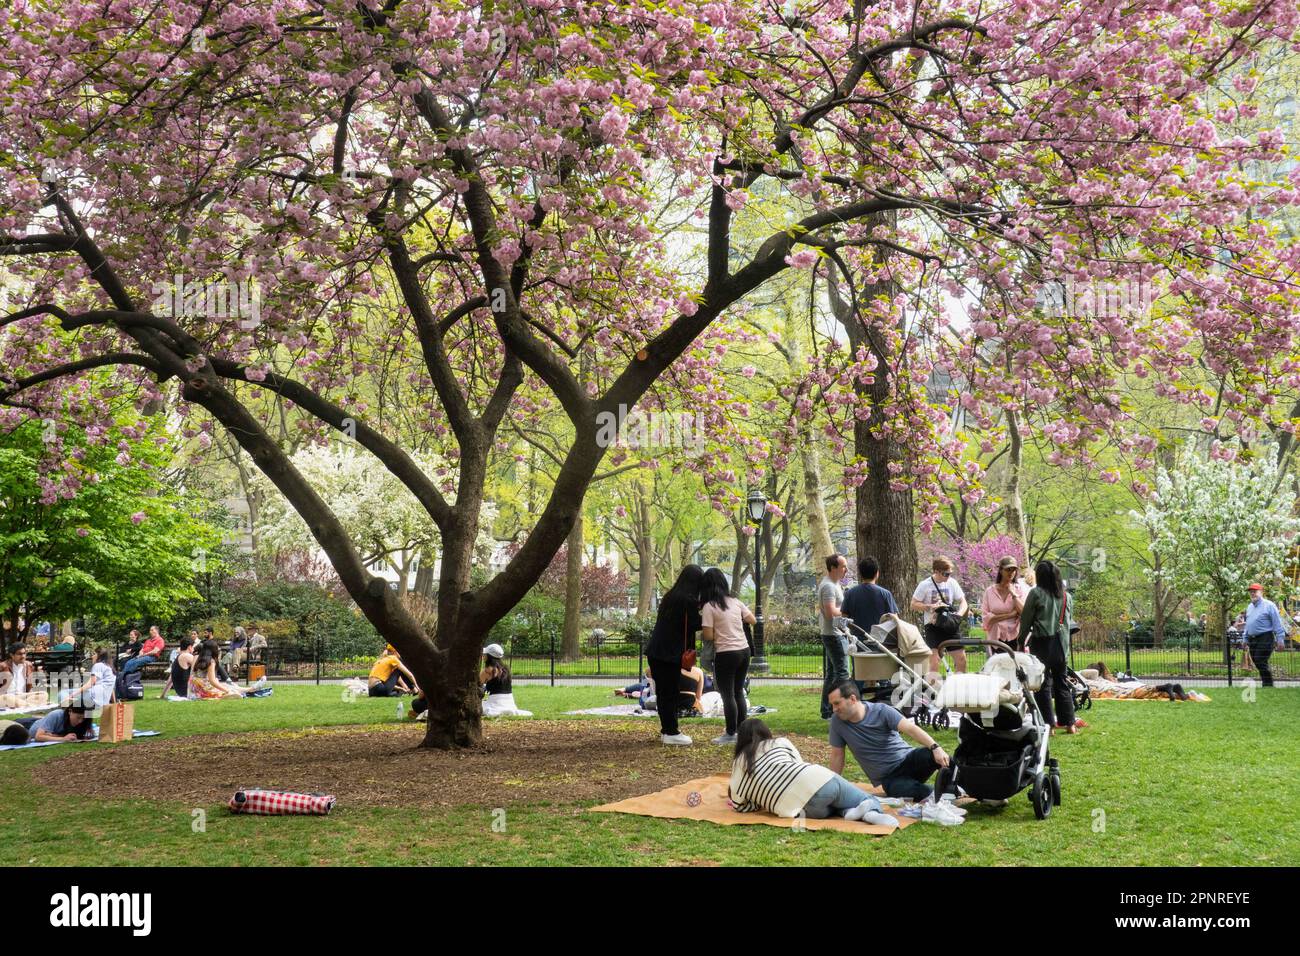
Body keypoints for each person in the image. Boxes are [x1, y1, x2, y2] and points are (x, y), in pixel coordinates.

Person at [728, 718, 898, 826]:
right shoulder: (779, 743)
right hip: (818, 782)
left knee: (832, 807)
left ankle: (851, 814)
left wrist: (758, 801)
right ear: (766, 733)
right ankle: (871, 814)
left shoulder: (738, 764)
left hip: (801, 810)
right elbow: (798, 764)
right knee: (862, 799)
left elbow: (739, 805)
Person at [827, 680, 954, 806]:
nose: (834, 709)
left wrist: (936, 748)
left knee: (939, 757)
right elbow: (837, 755)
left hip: (908, 760)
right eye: (832, 705)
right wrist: (831, 784)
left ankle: (963, 785)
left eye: (837, 703)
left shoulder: (881, 710)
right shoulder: (837, 722)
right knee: (905, 790)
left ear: (853, 699)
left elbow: (910, 729)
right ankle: (941, 793)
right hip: (890, 778)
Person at [644, 564, 704, 745]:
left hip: (657, 651)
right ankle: (671, 732)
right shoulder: (688, 601)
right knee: (670, 692)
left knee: (664, 693)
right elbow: (696, 623)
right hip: (668, 655)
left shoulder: (671, 596)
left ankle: (667, 730)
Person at [1017, 560, 1076, 733]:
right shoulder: (1066, 596)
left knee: (1042, 685)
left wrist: (1021, 640)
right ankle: (1070, 724)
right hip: (1061, 645)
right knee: (1062, 683)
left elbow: (1026, 619)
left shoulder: (1036, 593)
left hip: (1042, 644)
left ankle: (1048, 725)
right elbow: (1067, 621)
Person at [699, 567, 755, 745]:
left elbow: (707, 635)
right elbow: (752, 620)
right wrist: (734, 627)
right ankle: (742, 731)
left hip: (726, 653)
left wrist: (721, 631)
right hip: (744, 651)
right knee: (739, 691)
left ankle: (731, 733)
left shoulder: (709, 606)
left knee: (727, 694)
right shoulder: (735, 602)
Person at [912, 556, 969, 675]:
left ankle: (959, 687)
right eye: (945, 574)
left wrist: (958, 615)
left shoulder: (952, 583)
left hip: (949, 624)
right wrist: (930, 607)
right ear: (936, 571)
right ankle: (933, 691)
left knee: (961, 659)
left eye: (950, 573)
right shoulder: (925, 585)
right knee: (934, 662)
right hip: (933, 626)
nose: (948, 576)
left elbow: (963, 602)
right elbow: (913, 604)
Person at [818, 554, 850, 720]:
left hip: (835, 633)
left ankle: (827, 710)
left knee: (832, 674)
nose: (846, 570)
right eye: (843, 566)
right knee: (842, 673)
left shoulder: (835, 584)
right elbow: (830, 612)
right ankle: (840, 709)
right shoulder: (829, 586)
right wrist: (848, 611)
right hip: (833, 634)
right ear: (833, 568)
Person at [840, 556, 899, 636]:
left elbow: (844, 619)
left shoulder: (849, 594)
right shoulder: (885, 594)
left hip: (857, 643)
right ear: (877, 573)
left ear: (860, 573)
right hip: (881, 643)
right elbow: (894, 620)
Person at [981, 556, 1030, 651]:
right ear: (1000, 570)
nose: (1011, 572)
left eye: (1014, 570)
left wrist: (1013, 594)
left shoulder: (1019, 589)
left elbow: (1024, 612)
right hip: (996, 637)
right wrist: (1011, 614)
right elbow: (986, 618)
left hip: (1016, 636)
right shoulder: (989, 591)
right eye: (1008, 569)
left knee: (1016, 664)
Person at [1243, 583, 1288, 687]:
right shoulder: (1249, 607)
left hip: (1265, 637)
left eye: (1255, 591)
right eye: (1251, 592)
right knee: (1256, 660)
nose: (1252, 593)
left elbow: (1277, 623)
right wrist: (1245, 639)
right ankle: (1267, 683)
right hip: (1252, 639)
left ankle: (1268, 684)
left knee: (1260, 660)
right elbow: (1248, 624)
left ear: (1261, 592)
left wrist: (1280, 639)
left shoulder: (1269, 605)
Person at [480, 644, 532, 716]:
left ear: (489, 656)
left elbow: (477, 685)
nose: (483, 655)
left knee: (483, 689)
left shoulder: (487, 670)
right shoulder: (506, 669)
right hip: (509, 702)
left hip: (493, 701)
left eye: (485, 654)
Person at [0, 642, 43, 708]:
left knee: (43, 694)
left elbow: (31, 686)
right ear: (12, 655)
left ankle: (25, 704)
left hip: (23, 696)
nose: (23, 656)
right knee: (9, 698)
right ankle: (28, 705)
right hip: (7, 697)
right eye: (19, 654)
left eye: (24, 653)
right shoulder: (2, 666)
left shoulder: (29, 665)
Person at [27, 702, 95, 742]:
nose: (80, 721)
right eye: (78, 717)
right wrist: (63, 738)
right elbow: (38, 736)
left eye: (83, 719)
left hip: (44, 723)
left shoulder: (85, 721)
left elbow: (89, 734)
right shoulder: (56, 715)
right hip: (29, 725)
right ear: (70, 711)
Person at [164, 635, 198, 699]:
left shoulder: (177, 658)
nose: (193, 649)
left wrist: (163, 695)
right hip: (187, 692)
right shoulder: (187, 656)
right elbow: (203, 667)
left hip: (181, 692)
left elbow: (170, 679)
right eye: (193, 647)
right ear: (190, 647)